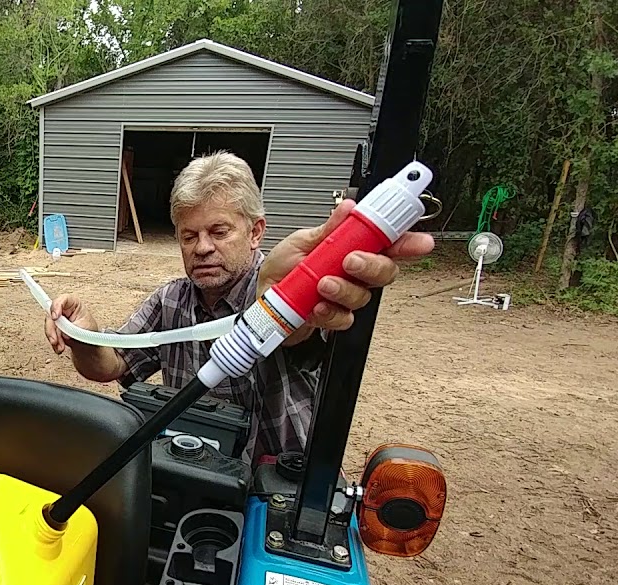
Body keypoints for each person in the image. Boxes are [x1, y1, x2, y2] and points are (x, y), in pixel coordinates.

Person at [44, 152, 434, 465]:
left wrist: (282, 305)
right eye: (189, 236)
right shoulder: (170, 301)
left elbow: (297, 330)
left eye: (219, 231)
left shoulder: (285, 289)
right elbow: (111, 366)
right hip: (192, 470)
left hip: (275, 486)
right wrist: (83, 336)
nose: (202, 248)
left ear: (255, 232)